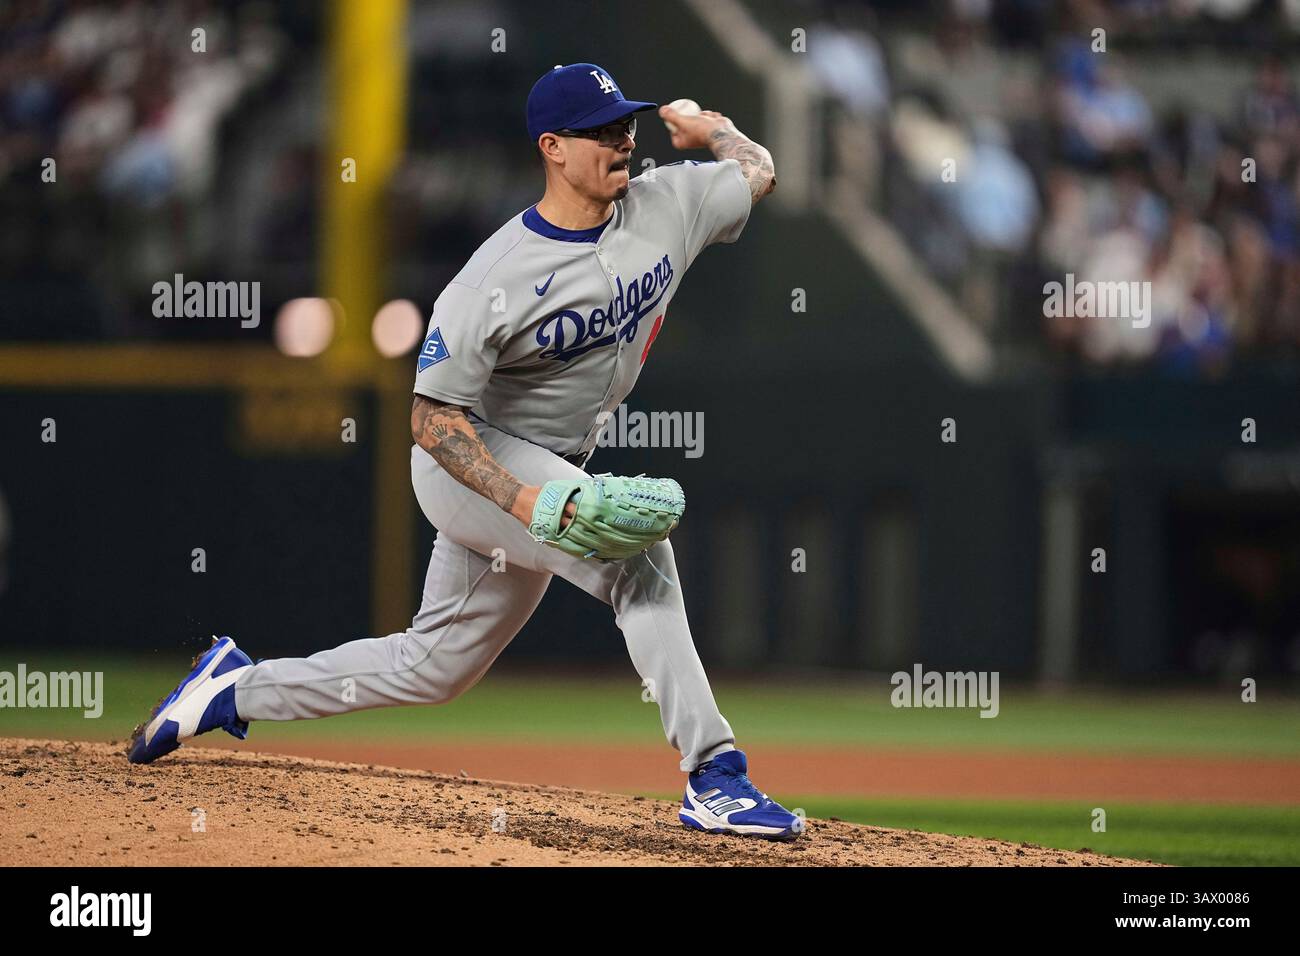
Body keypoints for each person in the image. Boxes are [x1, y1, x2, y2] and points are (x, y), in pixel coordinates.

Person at [128, 63, 801, 841]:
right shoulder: (491, 280)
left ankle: (235, 689)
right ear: (552, 147)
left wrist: (710, 128)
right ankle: (716, 774)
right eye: (601, 129)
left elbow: (757, 170)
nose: (623, 139)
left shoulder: (671, 204)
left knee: (434, 667)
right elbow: (432, 419)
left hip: (553, 467)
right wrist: (526, 501)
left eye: (628, 124)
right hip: (467, 464)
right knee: (634, 552)